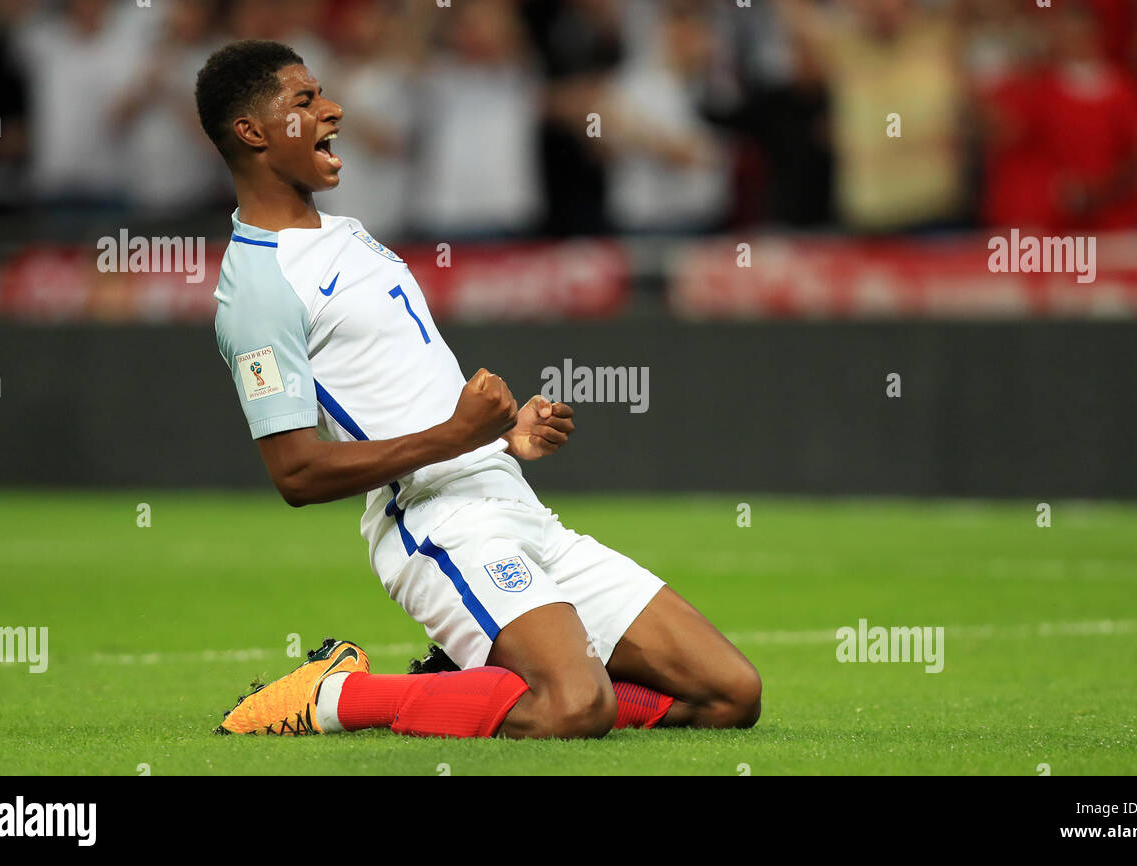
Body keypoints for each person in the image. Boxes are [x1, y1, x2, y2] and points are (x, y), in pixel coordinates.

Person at [194, 40, 761, 739]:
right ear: (252, 132)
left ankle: (474, 686)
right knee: (574, 707)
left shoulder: (345, 234)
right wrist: (456, 438)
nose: (333, 109)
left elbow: (402, 384)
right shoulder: (256, 287)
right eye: (304, 102)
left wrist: (501, 434)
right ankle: (339, 696)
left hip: (514, 504)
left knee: (731, 695)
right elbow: (296, 472)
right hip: (436, 525)